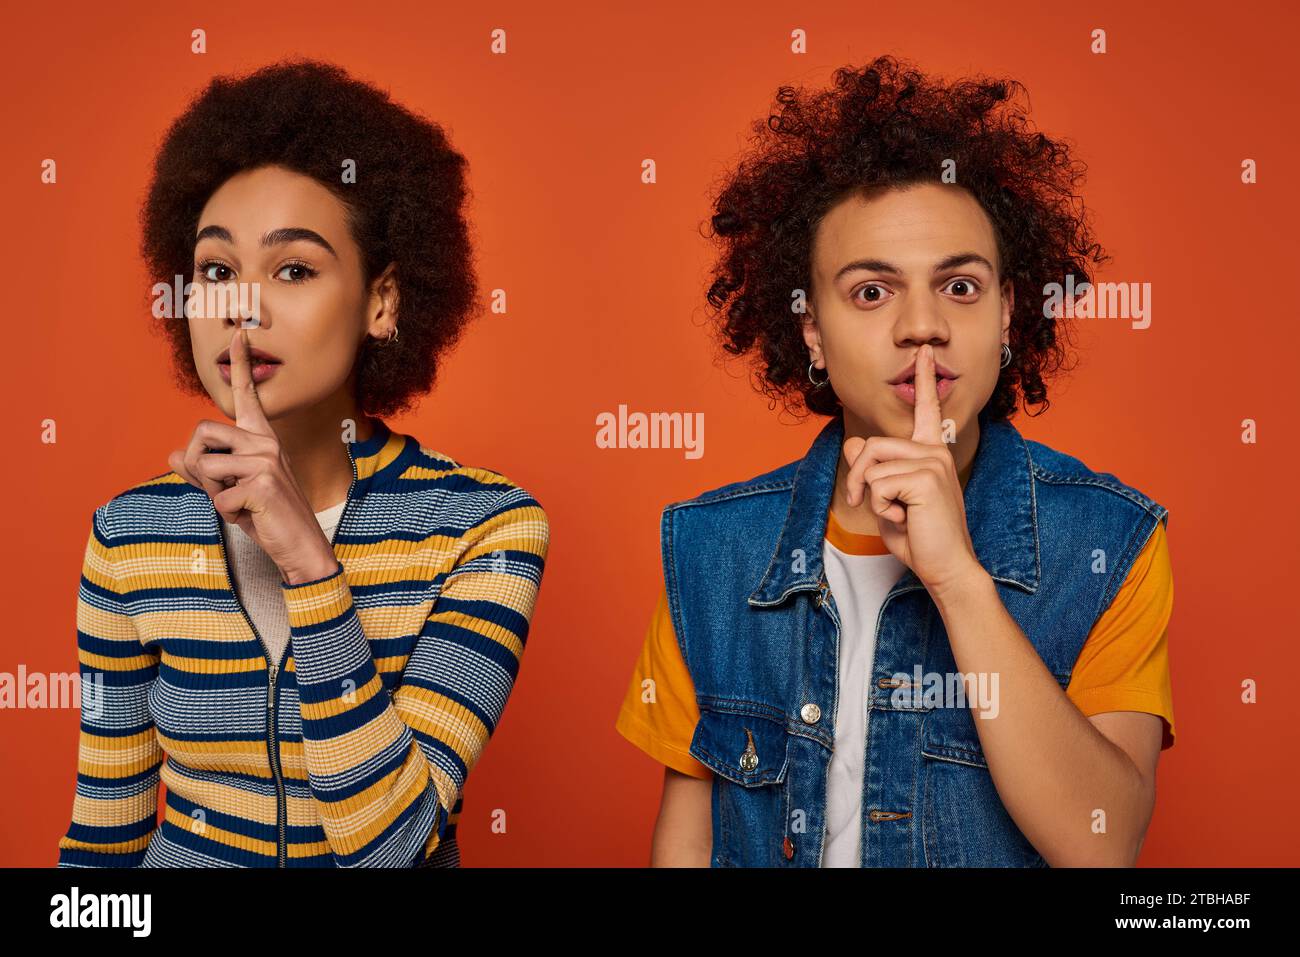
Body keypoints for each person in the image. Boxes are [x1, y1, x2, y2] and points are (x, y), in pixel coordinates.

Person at [615, 56, 1174, 867]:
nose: (923, 326)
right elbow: (689, 843)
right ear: (811, 330)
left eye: (960, 287)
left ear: (1010, 311)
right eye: (872, 292)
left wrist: (956, 580)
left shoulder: (1111, 541)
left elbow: (1103, 846)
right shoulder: (708, 551)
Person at [56, 59, 549, 867]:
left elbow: (391, 848)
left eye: (293, 269)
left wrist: (309, 566)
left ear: (382, 300)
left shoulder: (484, 528)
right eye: (217, 271)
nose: (242, 307)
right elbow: (103, 834)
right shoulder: (129, 534)